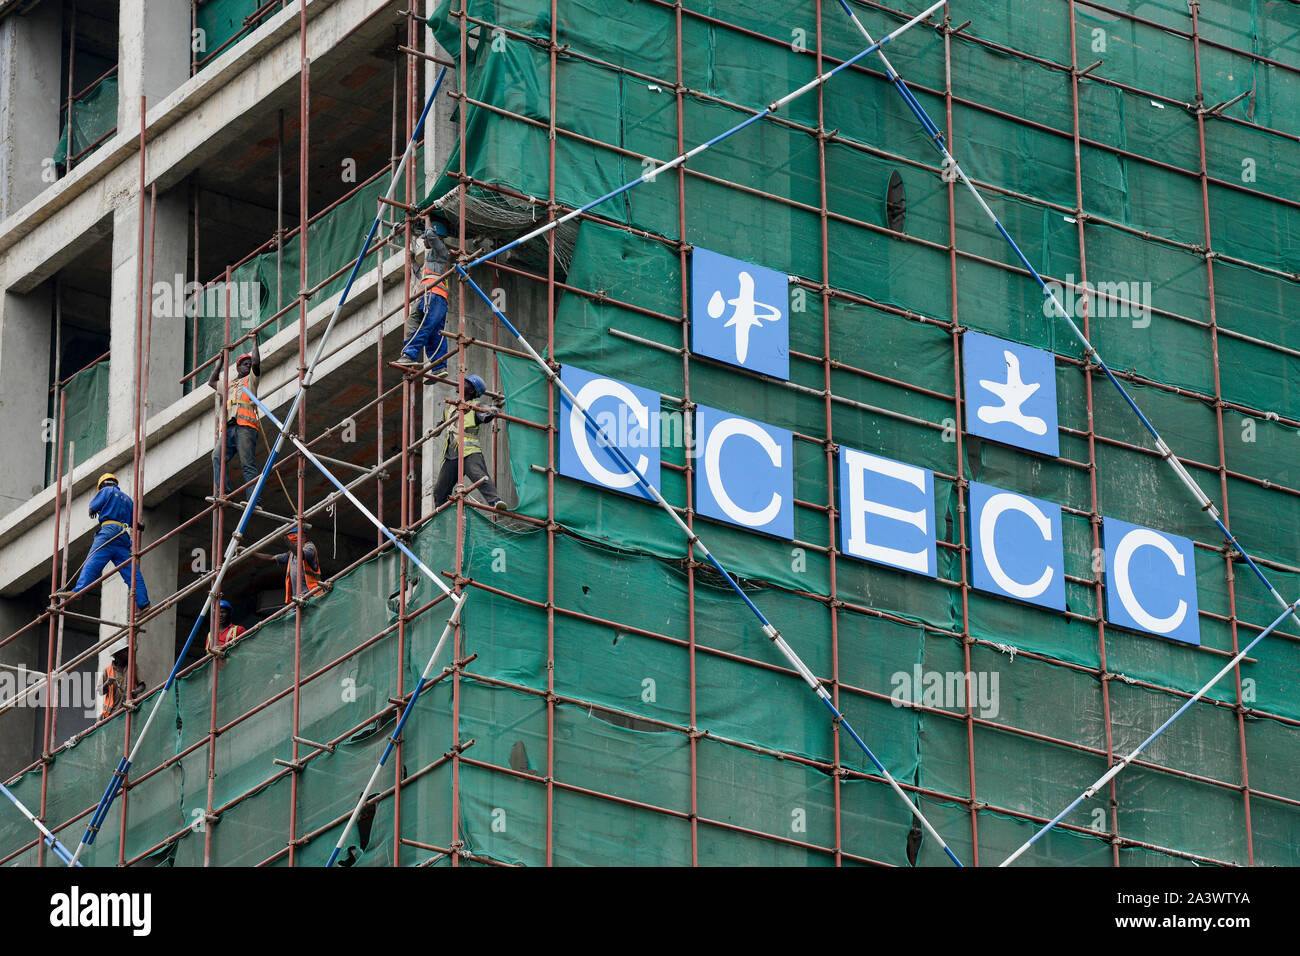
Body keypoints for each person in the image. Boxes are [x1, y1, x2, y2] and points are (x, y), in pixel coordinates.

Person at [57, 474, 150, 612]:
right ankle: (144, 604)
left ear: (102, 486)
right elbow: (136, 525)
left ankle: (79, 590)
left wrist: (93, 509)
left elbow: (92, 507)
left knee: (93, 560)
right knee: (131, 572)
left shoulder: (107, 491)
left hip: (108, 532)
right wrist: (140, 525)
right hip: (122, 536)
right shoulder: (128, 500)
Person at [433, 374, 507, 512]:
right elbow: (440, 426)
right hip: (451, 454)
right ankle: (439, 515)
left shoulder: (476, 406)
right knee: (439, 490)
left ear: (472, 390)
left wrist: (494, 408)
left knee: (479, 476)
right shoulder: (449, 407)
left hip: (469, 452)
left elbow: (486, 414)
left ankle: (496, 502)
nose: (460, 383)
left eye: (465, 383)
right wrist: (432, 431)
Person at [208, 337, 262, 500]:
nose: (248, 365)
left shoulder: (251, 380)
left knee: (247, 464)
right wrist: (221, 360)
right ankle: (223, 492)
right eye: (245, 363)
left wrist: (254, 342)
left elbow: (257, 363)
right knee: (217, 456)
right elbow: (212, 381)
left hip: (245, 426)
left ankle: (254, 499)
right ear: (237, 367)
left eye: (249, 363)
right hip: (229, 428)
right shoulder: (229, 385)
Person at [395, 219, 452, 369]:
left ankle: (410, 354)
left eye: (425, 239)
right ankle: (438, 367)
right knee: (417, 323)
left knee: (428, 327)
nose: (424, 242)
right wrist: (413, 261)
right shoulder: (431, 260)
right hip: (427, 295)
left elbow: (433, 238)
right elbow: (421, 276)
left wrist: (427, 220)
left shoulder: (442, 252)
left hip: (435, 296)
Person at [251, 530, 322, 604]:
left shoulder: (309, 547)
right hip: (298, 598)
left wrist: (285, 538)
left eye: (292, 535)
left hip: (312, 594)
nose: (291, 538)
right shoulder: (291, 554)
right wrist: (251, 553)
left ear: (301, 535)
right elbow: (272, 558)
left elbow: (300, 555)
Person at [100, 647, 142, 720]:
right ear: (117, 654)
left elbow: (142, 685)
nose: (128, 653)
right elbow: (100, 692)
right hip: (112, 713)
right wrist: (107, 683)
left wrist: (136, 691)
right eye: (124, 652)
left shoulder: (132, 667)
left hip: (129, 709)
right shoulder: (107, 670)